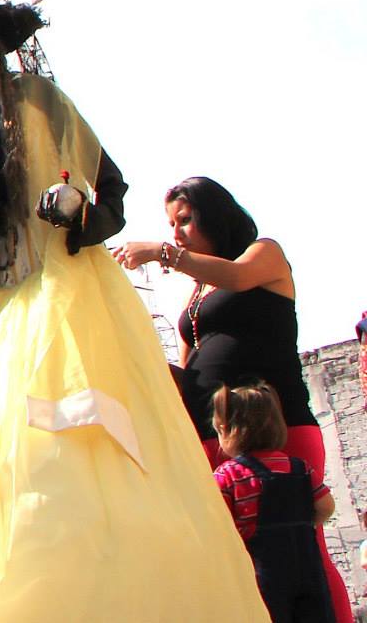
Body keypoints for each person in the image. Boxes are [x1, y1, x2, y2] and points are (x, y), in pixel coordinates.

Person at [0, 0, 264, 620]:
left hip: (70, 289)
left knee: (92, 436)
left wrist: (82, 217)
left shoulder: (42, 98)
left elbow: (111, 187)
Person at [115, 176, 350, 620]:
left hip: (280, 430)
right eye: (170, 225)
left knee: (302, 550)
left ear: (214, 214)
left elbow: (237, 277)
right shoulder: (197, 293)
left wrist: (162, 253)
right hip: (215, 439)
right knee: (235, 560)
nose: (176, 232)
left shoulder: (263, 255)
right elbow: (188, 374)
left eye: (185, 219)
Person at [211, 382, 336, 623]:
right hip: (307, 568)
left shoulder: (228, 475)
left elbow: (220, 524)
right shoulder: (299, 467)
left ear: (227, 430)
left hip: (263, 574)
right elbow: (326, 507)